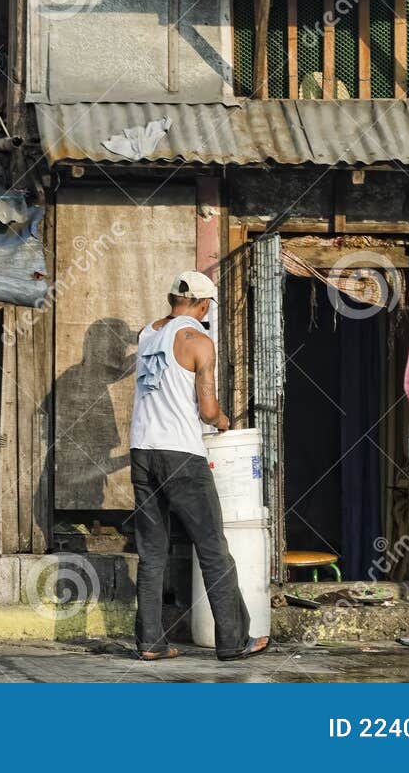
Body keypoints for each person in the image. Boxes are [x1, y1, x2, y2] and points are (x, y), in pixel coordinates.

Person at [129, 270, 268, 661]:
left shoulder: (145, 335)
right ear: (205, 306)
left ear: (173, 298)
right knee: (212, 548)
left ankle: (151, 643)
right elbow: (207, 410)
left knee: (151, 552)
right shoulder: (199, 342)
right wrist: (224, 421)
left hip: (141, 451)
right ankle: (233, 641)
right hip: (181, 455)